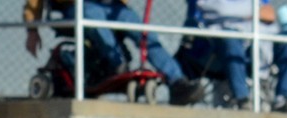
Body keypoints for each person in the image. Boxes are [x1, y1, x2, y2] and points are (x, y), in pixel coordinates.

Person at [21, 0, 207, 106]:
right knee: (95, 20)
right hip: (80, 6)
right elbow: (33, 5)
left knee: (144, 34)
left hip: (114, 6)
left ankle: (177, 81)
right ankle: (117, 65)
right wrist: (32, 30)